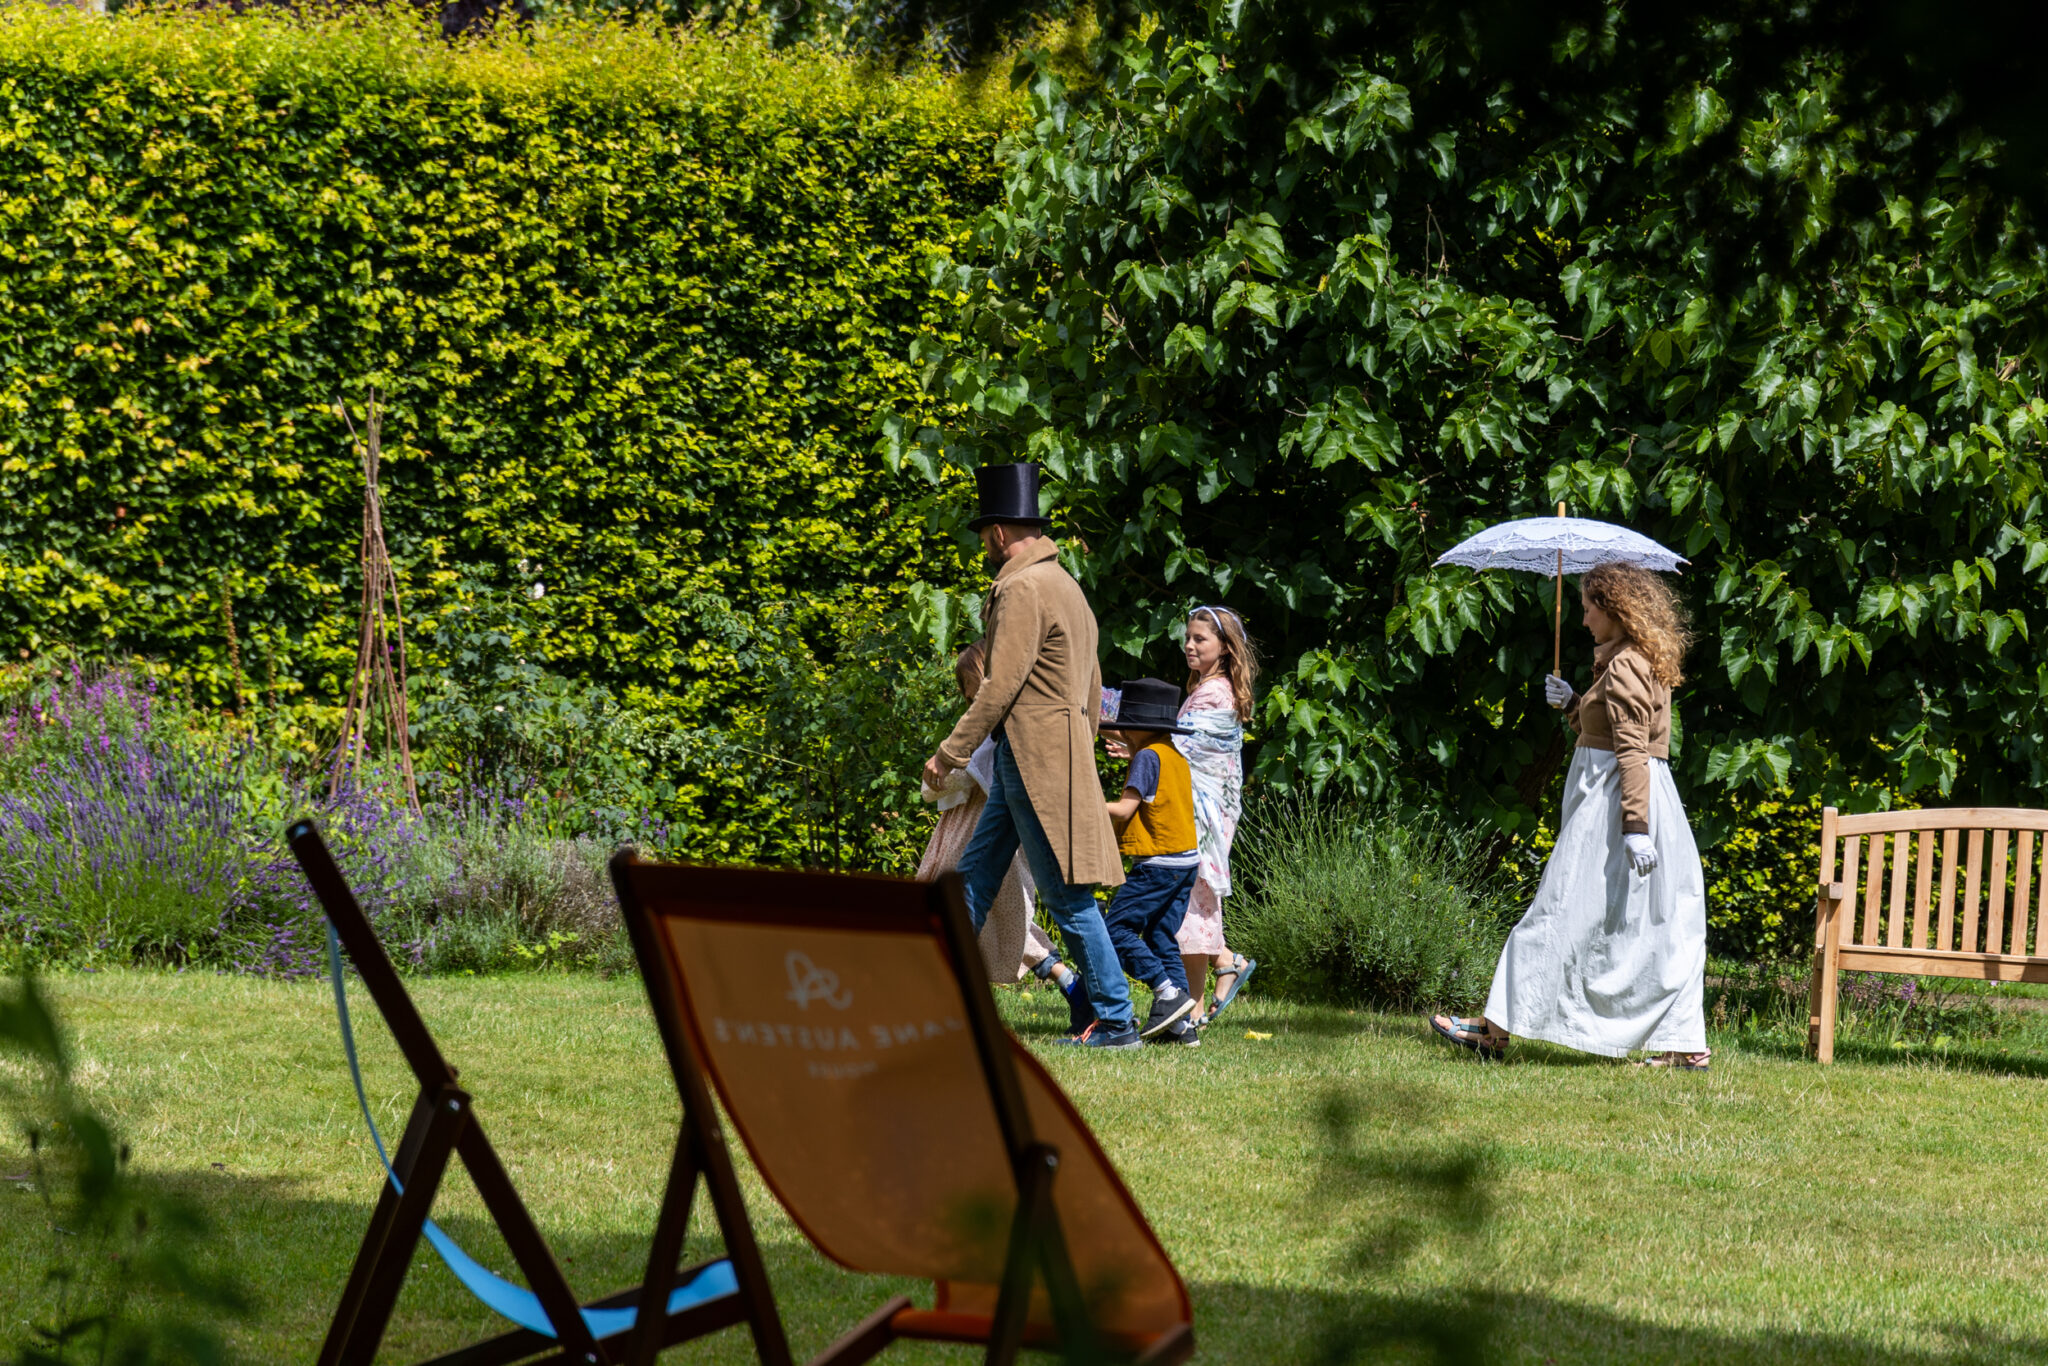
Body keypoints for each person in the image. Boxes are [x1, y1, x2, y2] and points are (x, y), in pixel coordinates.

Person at [1430, 562, 1710, 1068]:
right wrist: (1574, 705)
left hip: (1615, 805)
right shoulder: (1634, 658)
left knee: (1556, 909)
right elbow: (1614, 729)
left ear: (1613, 608)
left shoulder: (1625, 664)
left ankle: (1494, 1030)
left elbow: (1630, 751)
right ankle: (1686, 1046)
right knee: (1663, 920)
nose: (1582, 620)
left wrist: (1635, 828)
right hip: (1637, 799)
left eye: (1587, 609)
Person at [923, 463, 1138, 1049]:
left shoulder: (1021, 587)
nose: (983, 545)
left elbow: (999, 684)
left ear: (997, 531)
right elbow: (1093, 688)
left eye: (983, 534)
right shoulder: (1068, 587)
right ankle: (934, 1000)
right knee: (971, 880)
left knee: (1067, 898)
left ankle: (1117, 1020)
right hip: (1047, 758)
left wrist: (949, 753)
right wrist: (1077, 748)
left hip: (1032, 761)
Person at [915, 637, 1092, 1026]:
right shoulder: (998, 732)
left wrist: (936, 775)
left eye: (968, 689)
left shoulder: (997, 735)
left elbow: (953, 779)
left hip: (980, 840)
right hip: (968, 836)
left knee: (964, 912)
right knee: (996, 918)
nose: (965, 698)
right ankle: (1070, 985)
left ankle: (940, 1000)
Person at [1098, 678, 1204, 1047]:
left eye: (1125, 722)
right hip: (1186, 860)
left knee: (1115, 931)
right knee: (1161, 937)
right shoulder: (1170, 752)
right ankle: (1183, 1028)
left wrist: (1083, 802)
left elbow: (1125, 809)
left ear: (1138, 726)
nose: (1120, 728)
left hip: (1158, 861)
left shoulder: (1146, 756)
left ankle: (1166, 992)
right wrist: (1133, 751)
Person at [1174, 605, 1259, 1027]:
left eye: (1200, 639)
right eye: (1187, 637)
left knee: (1195, 898)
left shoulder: (1215, 693)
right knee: (1196, 897)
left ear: (1225, 648)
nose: (1190, 645)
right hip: (1202, 808)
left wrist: (1138, 747)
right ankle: (1226, 961)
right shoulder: (1204, 688)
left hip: (1206, 813)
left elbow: (1186, 752)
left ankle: (1190, 1005)